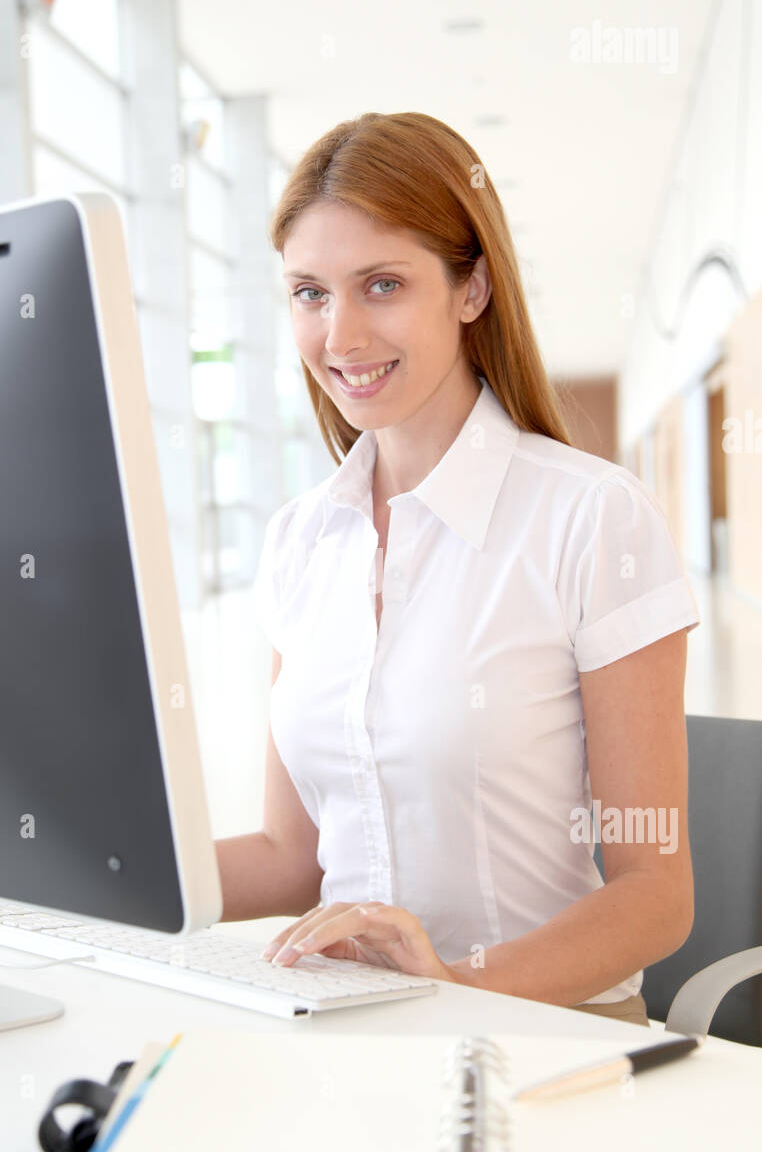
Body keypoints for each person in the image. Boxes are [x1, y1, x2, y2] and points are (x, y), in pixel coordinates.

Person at [215, 110, 701, 1026]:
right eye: (310, 293)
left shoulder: (592, 519)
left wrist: (457, 985)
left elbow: (655, 895)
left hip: (548, 1040)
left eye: (383, 285)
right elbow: (289, 856)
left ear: (471, 288)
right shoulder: (299, 543)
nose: (341, 335)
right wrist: (57, 879)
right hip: (354, 1036)